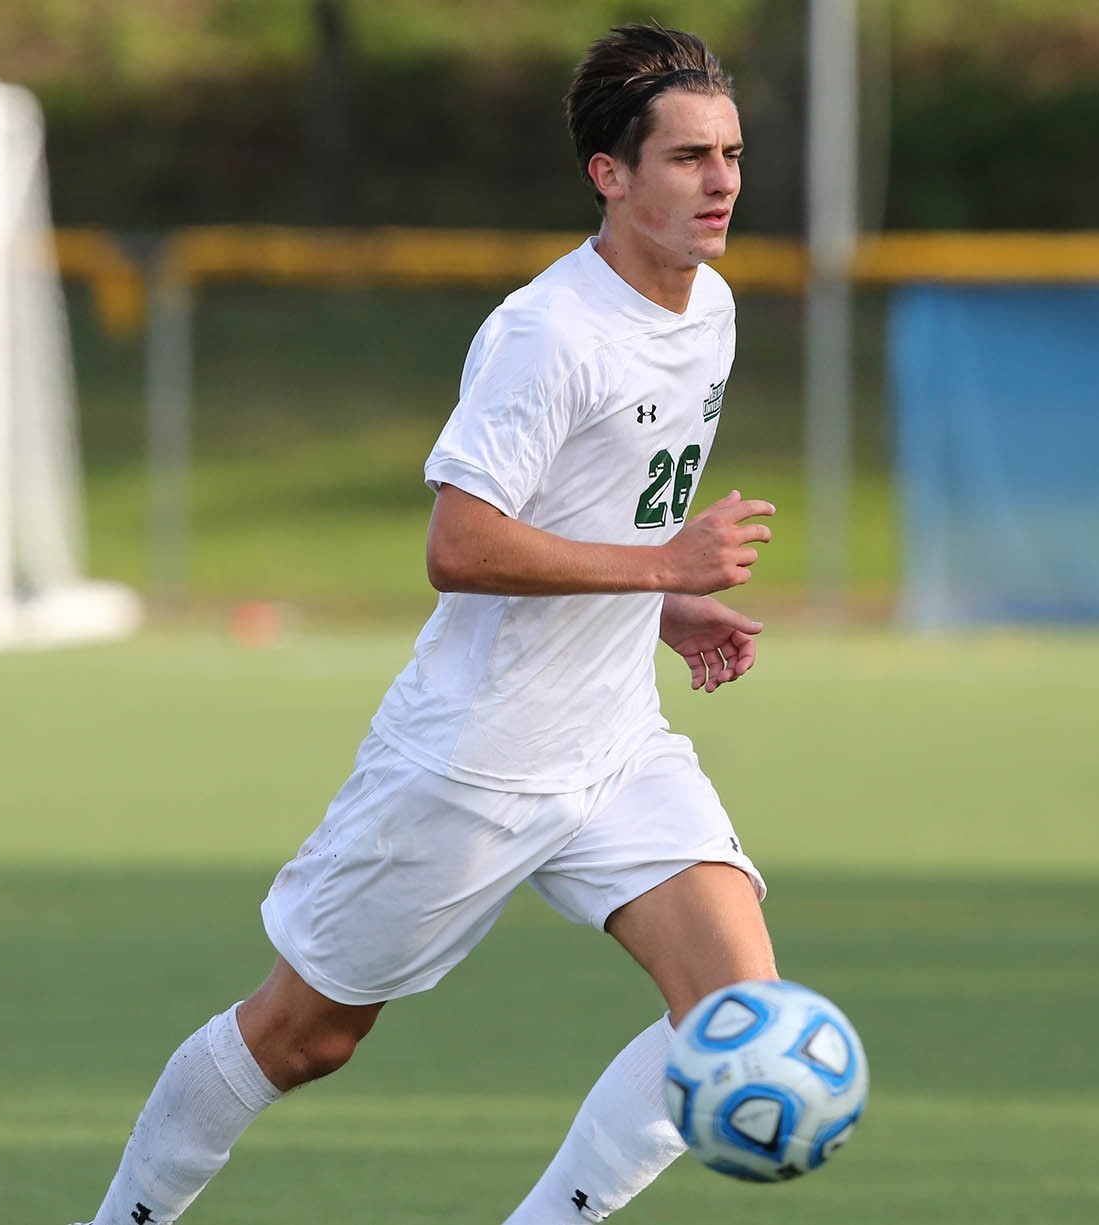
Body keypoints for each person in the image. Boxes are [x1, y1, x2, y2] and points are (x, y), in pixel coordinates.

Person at [77, 23, 777, 1225]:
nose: (718, 181)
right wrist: (656, 560)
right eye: (684, 157)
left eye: (729, 152)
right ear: (609, 174)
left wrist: (658, 601)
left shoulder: (706, 306)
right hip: (474, 762)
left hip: (613, 746)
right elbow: (458, 546)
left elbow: (590, 513)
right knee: (302, 1038)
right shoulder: (544, 334)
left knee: (737, 1024)